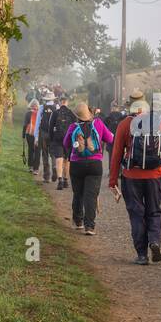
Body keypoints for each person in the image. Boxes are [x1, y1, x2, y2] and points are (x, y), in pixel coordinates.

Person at [108, 89, 161, 265]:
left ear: (130, 105)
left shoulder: (125, 124)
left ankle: (142, 254)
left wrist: (113, 180)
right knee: (153, 211)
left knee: (136, 214)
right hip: (156, 175)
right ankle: (154, 241)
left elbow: (116, 154)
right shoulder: (158, 123)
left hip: (132, 176)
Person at [62, 102, 116, 235]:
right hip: (95, 164)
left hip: (76, 164)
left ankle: (78, 221)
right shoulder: (98, 123)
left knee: (78, 193)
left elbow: (65, 143)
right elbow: (110, 138)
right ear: (89, 113)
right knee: (91, 195)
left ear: (77, 116)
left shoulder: (73, 126)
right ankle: (90, 226)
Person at [48, 95, 78, 191]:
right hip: (68, 140)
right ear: (67, 102)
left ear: (60, 102)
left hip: (58, 140)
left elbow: (50, 128)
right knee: (67, 160)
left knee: (59, 159)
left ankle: (59, 180)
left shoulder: (55, 113)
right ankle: (66, 180)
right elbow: (76, 127)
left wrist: (52, 139)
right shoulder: (71, 113)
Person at [36, 93, 57, 182]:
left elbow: (37, 123)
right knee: (53, 154)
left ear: (46, 100)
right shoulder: (57, 107)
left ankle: (46, 176)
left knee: (45, 154)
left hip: (44, 133)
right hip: (53, 134)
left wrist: (36, 136)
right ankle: (55, 168)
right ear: (53, 99)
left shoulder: (41, 107)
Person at [23, 99, 41, 173]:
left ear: (31, 105)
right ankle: (36, 169)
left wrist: (23, 135)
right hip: (38, 134)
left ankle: (30, 167)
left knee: (31, 150)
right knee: (37, 151)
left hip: (29, 133)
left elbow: (25, 125)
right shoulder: (40, 113)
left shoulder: (28, 113)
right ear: (38, 105)